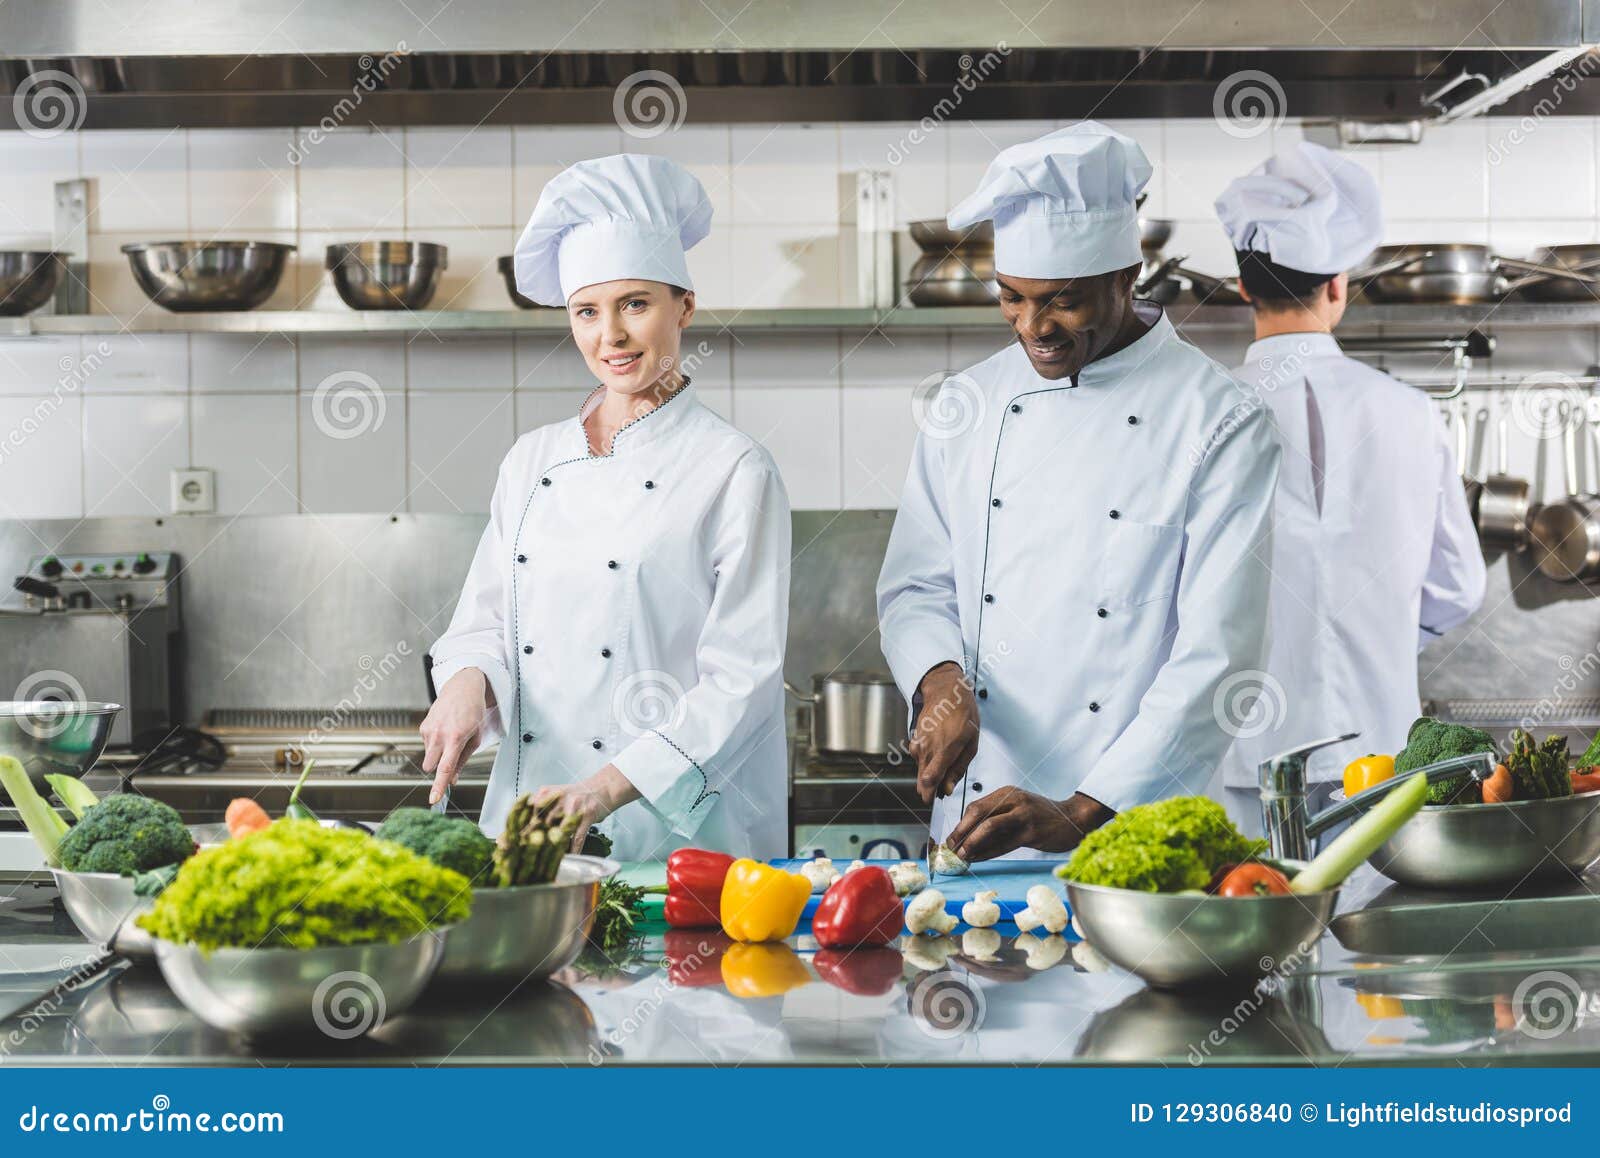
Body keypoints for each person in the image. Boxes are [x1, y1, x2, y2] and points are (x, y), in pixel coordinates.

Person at [876, 122, 1281, 862]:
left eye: (1061, 302)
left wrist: (1083, 811)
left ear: (1128, 279)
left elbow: (1220, 654)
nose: (1034, 329)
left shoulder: (1220, 419)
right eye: (1011, 299)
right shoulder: (966, 405)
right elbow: (916, 587)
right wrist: (940, 684)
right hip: (974, 829)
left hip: (1136, 828)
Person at [420, 154, 791, 861]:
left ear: (684, 306)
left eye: (635, 304)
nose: (610, 336)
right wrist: (467, 682)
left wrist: (603, 790)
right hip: (529, 830)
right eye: (587, 312)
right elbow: (485, 620)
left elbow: (742, 683)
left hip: (674, 840)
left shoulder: (734, 469)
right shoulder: (531, 459)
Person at [1210, 141, 1486, 834]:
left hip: (1238, 755)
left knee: (1249, 921)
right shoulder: (1411, 412)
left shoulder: (1199, 413)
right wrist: (1374, 634)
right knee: (1369, 938)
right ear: (1337, 286)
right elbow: (1460, 589)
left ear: (1244, 286)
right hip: (1378, 757)